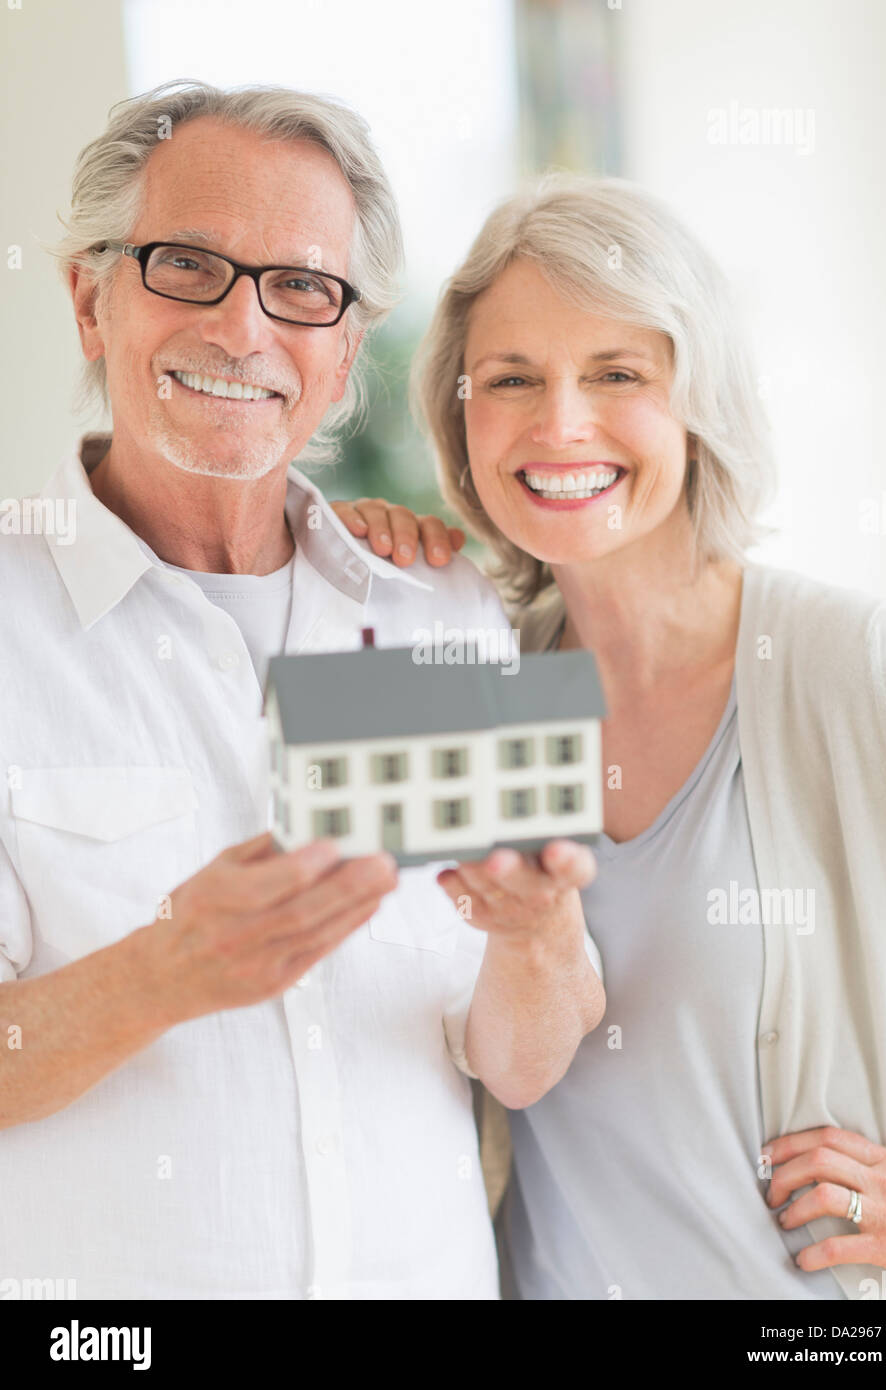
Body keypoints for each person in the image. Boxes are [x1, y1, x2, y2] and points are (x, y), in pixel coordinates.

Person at [0, 82, 606, 1301]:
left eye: (300, 287)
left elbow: (517, 1064)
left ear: (341, 353)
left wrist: (537, 939)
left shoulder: (438, 614)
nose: (242, 329)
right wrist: (164, 968)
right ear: (88, 300)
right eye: (187, 265)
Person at [332, 173, 886, 1300]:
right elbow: (322, 992)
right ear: (460, 413)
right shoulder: (465, 680)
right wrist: (341, 571)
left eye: (617, 374)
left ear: (697, 399)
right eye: (511, 379)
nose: (560, 423)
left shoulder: (862, 671)